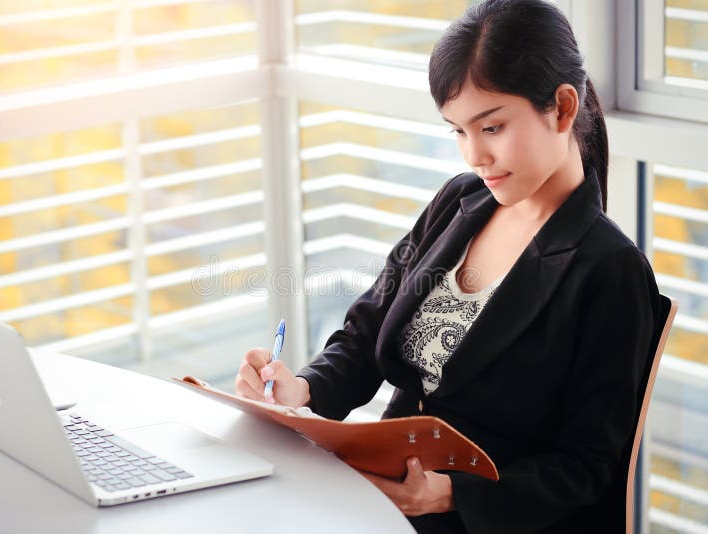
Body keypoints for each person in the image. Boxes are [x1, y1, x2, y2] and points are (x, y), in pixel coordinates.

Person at [235, 1, 660, 532]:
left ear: (563, 108)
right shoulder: (459, 203)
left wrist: (450, 496)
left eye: (493, 126)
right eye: (458, 132)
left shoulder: (609, 270)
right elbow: (367, 334)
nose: (474, 156)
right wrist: (300, 390)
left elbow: (585, 466)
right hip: (379, 498)